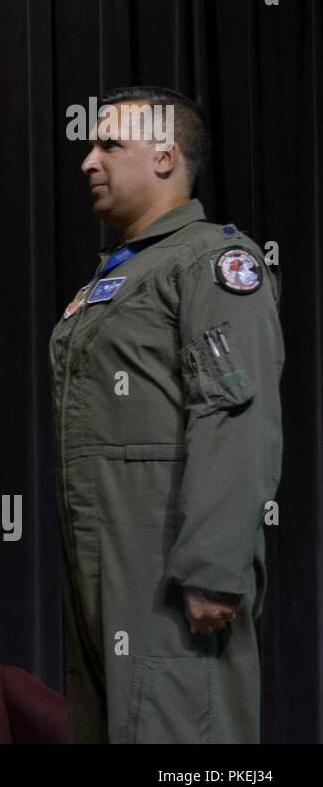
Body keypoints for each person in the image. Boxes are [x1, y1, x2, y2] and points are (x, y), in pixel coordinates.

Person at [50, 86, 283, 743]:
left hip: (171, 576)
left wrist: (213, 563)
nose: (88, 161)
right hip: (102, 577)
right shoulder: (112, 279)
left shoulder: (213, 263)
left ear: (164, 155)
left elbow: (234, 413)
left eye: (108, 145)